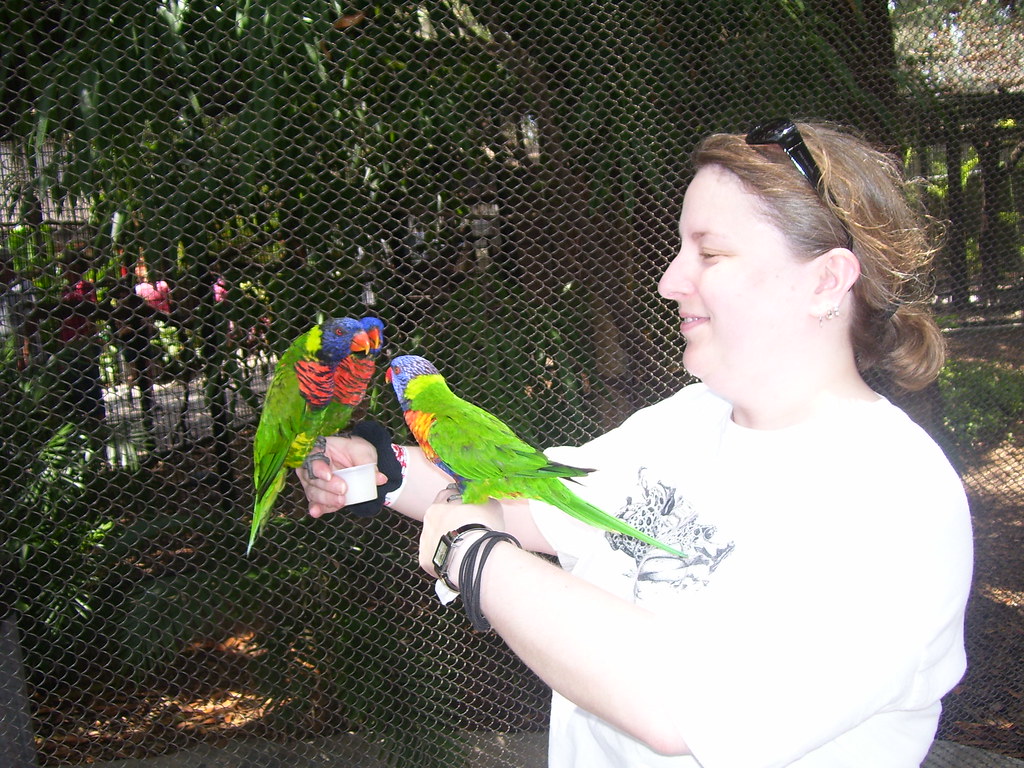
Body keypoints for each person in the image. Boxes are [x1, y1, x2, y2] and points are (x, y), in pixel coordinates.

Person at [297, 120, 973, 767]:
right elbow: (533, 503)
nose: (669, 281)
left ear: (825, 281)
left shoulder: (899, 499)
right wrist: (374, 474)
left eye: (708, 253)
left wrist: (472, 556)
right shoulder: (688, 418)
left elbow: (689, 705)